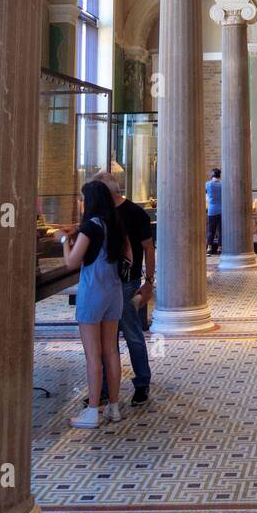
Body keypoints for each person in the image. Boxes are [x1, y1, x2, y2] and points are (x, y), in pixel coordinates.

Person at [61, 179, 129, 427]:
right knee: (111, 351)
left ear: (89, 201)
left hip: (93, 292)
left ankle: (92, 411)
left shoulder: (91, 226)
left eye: (82, 199)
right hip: (114, 292)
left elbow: (72, 261)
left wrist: (63, 241)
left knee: (93, 355)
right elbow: (128, 256)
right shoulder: (116, 224)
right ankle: (113, 407)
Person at [91, 170, 154, 406]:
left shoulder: (134, 213)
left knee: (131, 333)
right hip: (104, 282)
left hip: (127, 282)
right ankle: (106, 388)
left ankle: (142, 382)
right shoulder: (99, 215)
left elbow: (148, 248)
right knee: (107, 339)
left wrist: (148, 282)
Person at [206, 167, 222, 255]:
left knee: (211, 230)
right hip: (221, 209)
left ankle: (209, 248)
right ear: (219, 175)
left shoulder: (208, 184)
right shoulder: (222, 185)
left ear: (212, 175)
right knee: (221, 230)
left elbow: (205, 194)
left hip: (212, 210)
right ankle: (220, 248)